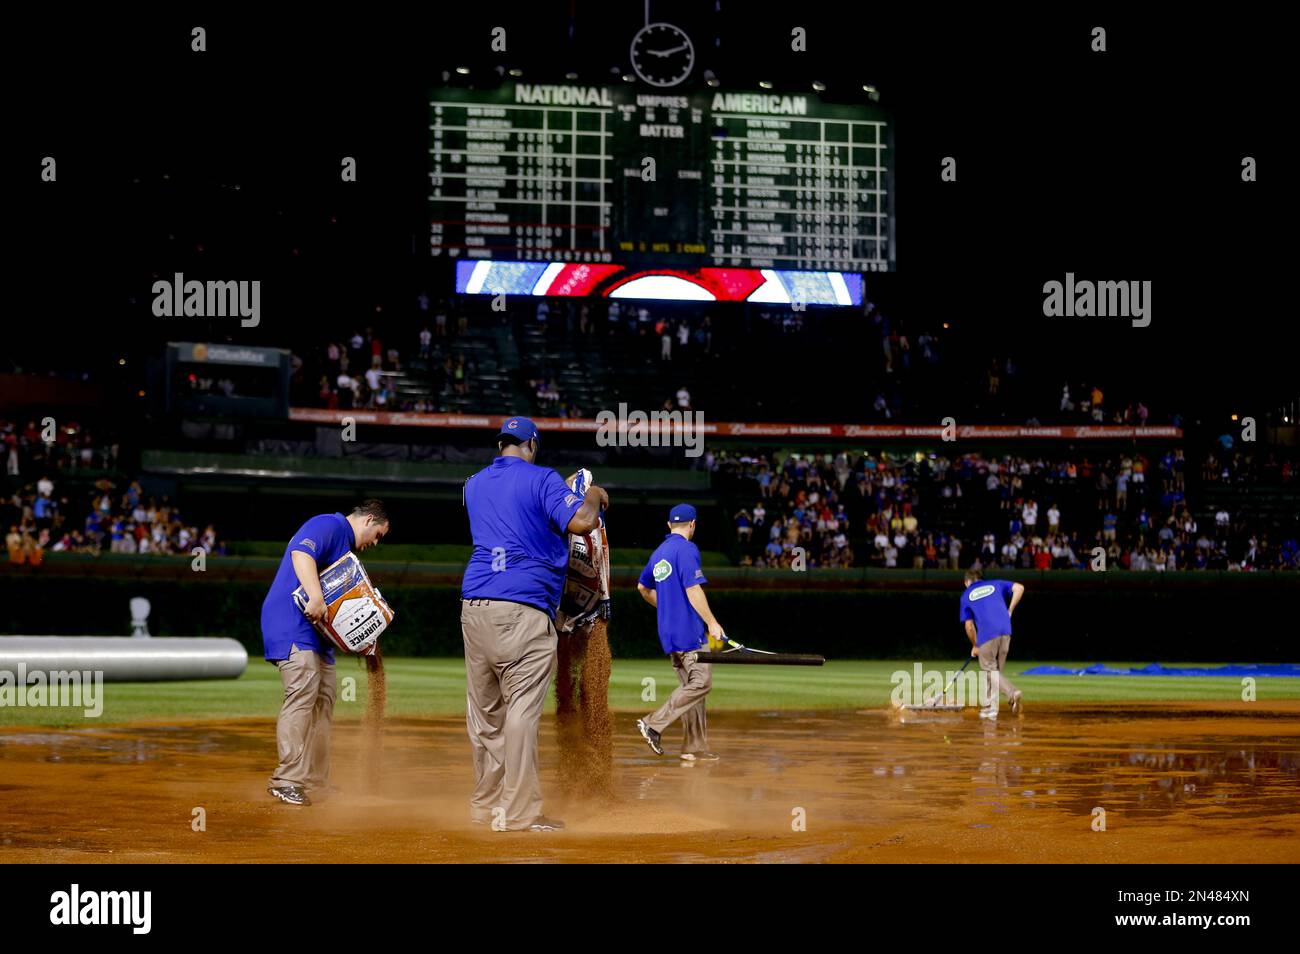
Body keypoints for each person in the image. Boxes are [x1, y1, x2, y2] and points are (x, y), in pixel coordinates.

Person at [460, 417, 607, 832]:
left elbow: (510, 515)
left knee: (486, 714)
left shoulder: (474, 483)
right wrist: (592, 494)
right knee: (521, 711)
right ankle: (520, 812)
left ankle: (484, 807)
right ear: (533, 445)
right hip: (523, 607)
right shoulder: (542, 478)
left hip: (474, 605)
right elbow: (582, 521)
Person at [261, 499, 390, 806]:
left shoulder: (345, 548)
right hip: (292, 625)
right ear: (369, 519)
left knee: (324, 700)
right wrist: (317, 597)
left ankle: (314, 780)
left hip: (317, 635)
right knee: (302, 696)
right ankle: (287, 779)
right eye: (378, 535)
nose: (375, 543)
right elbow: (301, 553)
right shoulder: (329, 525)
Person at [635, 504, 724, 762]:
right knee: (701, 683)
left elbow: (642, 587)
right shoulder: (687, 549)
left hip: (668, 634)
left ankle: (694, 747)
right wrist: (712, 623)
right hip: (689, 632)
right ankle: (653, 724)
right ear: (693, 524)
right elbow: (693, 589)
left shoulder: (660, 552)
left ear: (668, 525)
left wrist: (667, 607)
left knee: (691, 689)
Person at [958, 567, 1024, 719]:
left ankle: (1012, 693)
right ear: (980, 578)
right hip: (1006, 631)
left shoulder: (966, 595)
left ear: (967, 582)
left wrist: (975, 645)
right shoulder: (997, 584)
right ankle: (990, 709)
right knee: (994, 673)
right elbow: (1019, 588)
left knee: (989, 670)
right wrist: (1010, 610)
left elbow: (969, 626)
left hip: (987, 634)